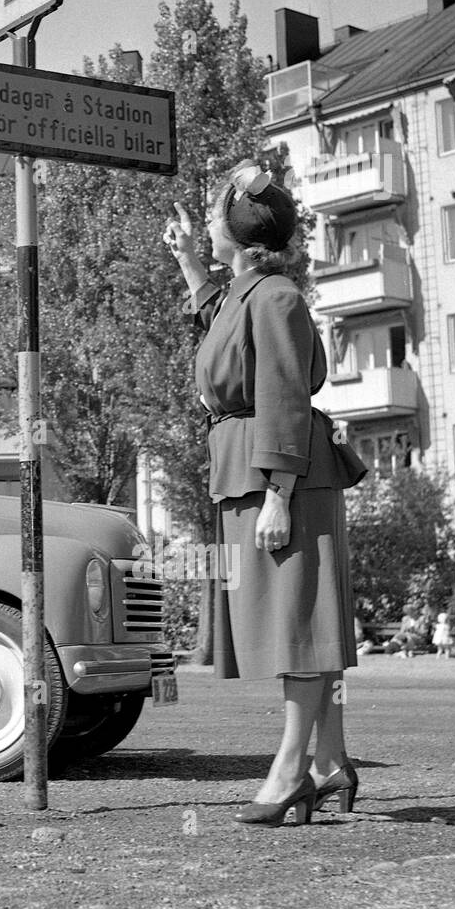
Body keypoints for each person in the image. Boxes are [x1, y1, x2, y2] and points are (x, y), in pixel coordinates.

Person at [166, 161, 365, 827]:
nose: (209, 218)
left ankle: (289, 775)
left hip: (283, 477)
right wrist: (191, 262)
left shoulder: (275, 298)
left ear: (239, 230)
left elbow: (282, 392)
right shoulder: (244, 294)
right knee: (298, 628)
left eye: (215, 211)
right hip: (255, 472)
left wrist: (278, 492)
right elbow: (217, 321)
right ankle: (328, 765)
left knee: (300, 630)